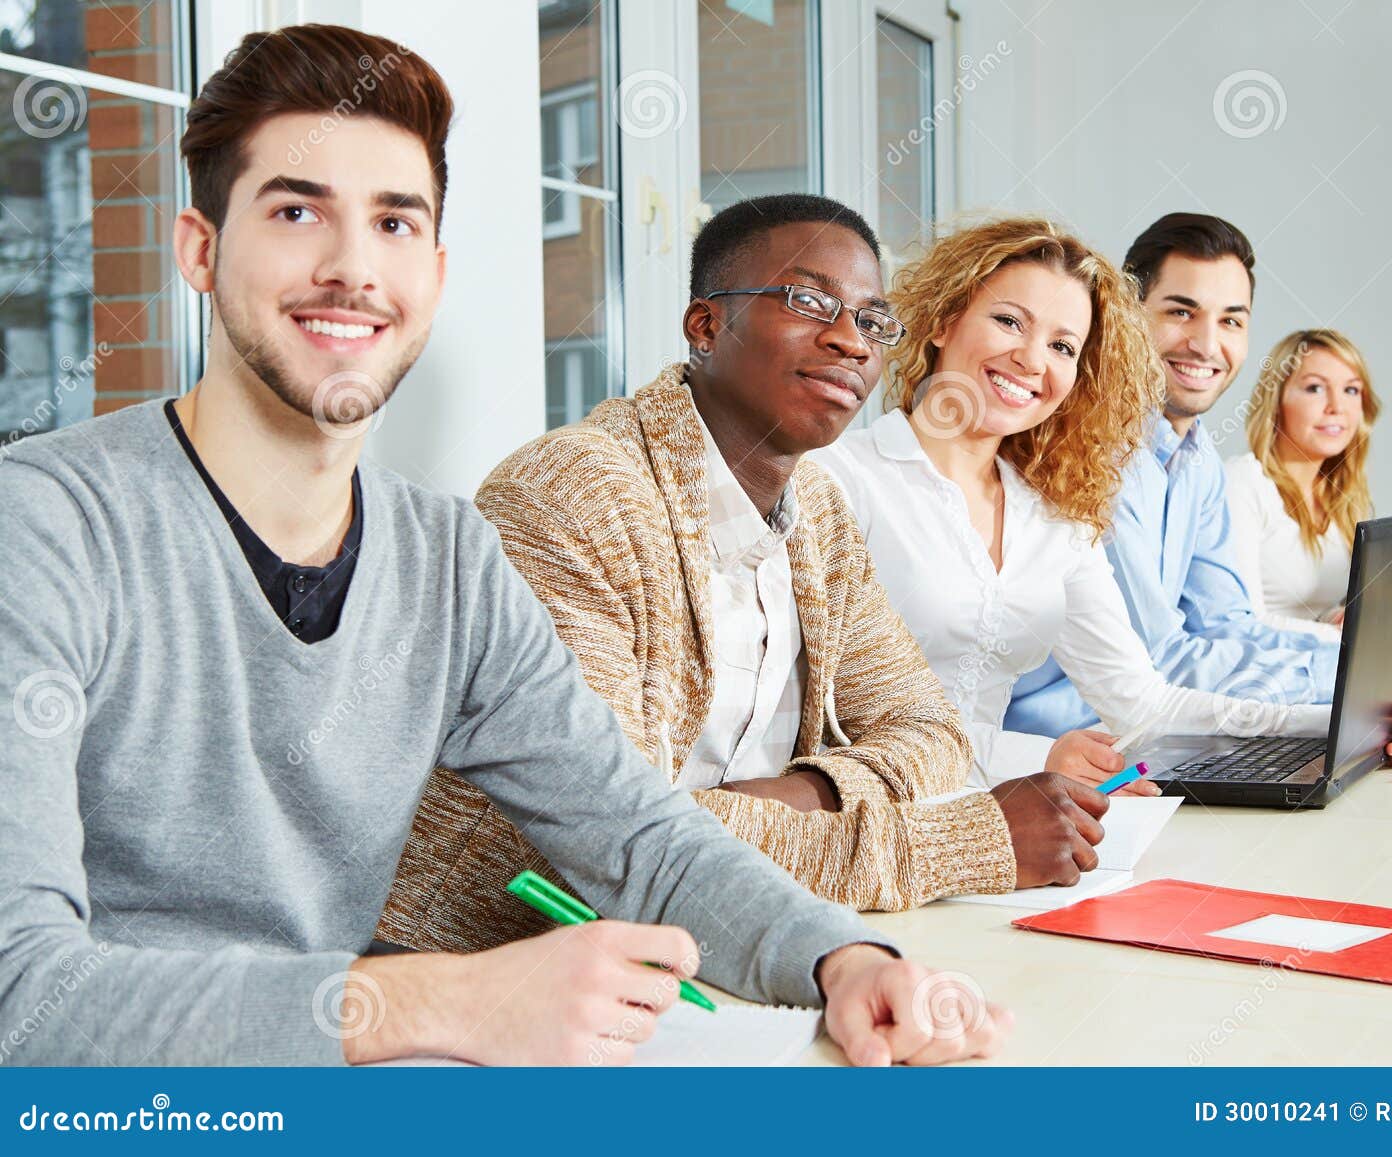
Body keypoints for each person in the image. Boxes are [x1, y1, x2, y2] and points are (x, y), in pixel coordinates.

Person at [0, 26, 1007, 1068]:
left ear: (432, 273)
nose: (351, 267)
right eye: (296, 211)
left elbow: (641, 836)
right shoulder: (42, 525)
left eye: (394, 222)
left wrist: (843, 959)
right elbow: (18, 995)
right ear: (199, 249)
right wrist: (434, 998)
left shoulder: (445, 556)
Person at [384, 195, 1114, 919]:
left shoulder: (816, 509)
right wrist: (966, 840)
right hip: (509, 961)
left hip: (719, 939)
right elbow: (613, 844)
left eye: (869, 320)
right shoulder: (576, 494)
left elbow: (930, 730)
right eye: (808, 300)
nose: (851, 342)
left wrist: (797, 794)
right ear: (705, 324)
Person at [808, 219, 1392, 792]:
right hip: (878, 826)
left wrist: (1341, 723)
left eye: (1063, 347)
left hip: (1012, 820)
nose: (1031, 360)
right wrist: (1036, 761)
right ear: (943, 321)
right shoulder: (839, 479)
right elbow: (832, 721)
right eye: (1009, 322)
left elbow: (1145, 705)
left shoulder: (1054, 513)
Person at [1005, 213, 1392, 741]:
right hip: (1052, 752)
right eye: (1181, 312)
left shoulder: (1197, 457)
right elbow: (1161, 659)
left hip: (1155, 735)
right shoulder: (1093, 451)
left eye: (1231, 320)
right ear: (1127, 314)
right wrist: (1362, 678)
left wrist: (1372, 666)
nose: (1207, 345)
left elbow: (1226, 626)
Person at [1225, 329, 1392, 654]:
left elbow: (1310, 612)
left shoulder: (1339, 498)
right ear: (1276, 402)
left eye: (1351, 390)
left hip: (1314, 668)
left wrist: (1343, 620)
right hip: (1263, 681)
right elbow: (1244, 626)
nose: (1337, 406)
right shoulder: (1241, 482)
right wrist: (1384, 632)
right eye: (1314, 388)